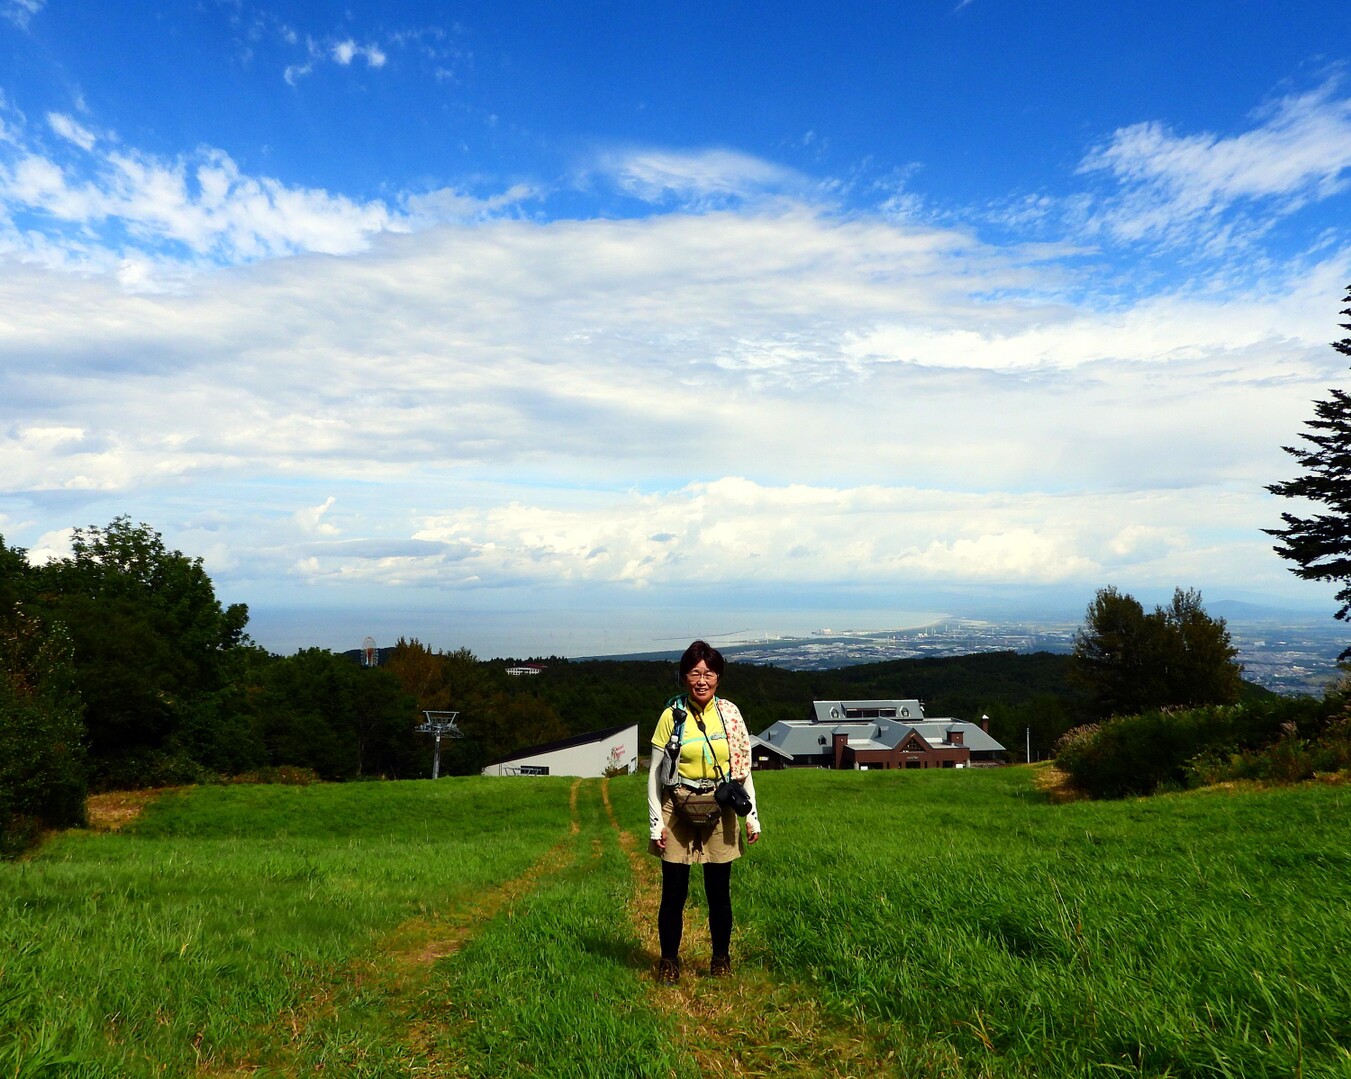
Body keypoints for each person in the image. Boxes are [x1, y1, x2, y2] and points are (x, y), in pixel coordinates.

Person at [647, 639, 761, 984]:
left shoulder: (730, 714)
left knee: (719, 893)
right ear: (684, 677)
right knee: (674, 893)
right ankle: (669, 961)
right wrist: (656, 825)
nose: (702, 680)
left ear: (718, 678)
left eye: (708, 673)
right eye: (695, 673)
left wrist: (752, 816)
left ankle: (720, 959)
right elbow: (654, 776)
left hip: (720, 806)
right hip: (677, 806)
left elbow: (743, 771)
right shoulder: (672, 715)